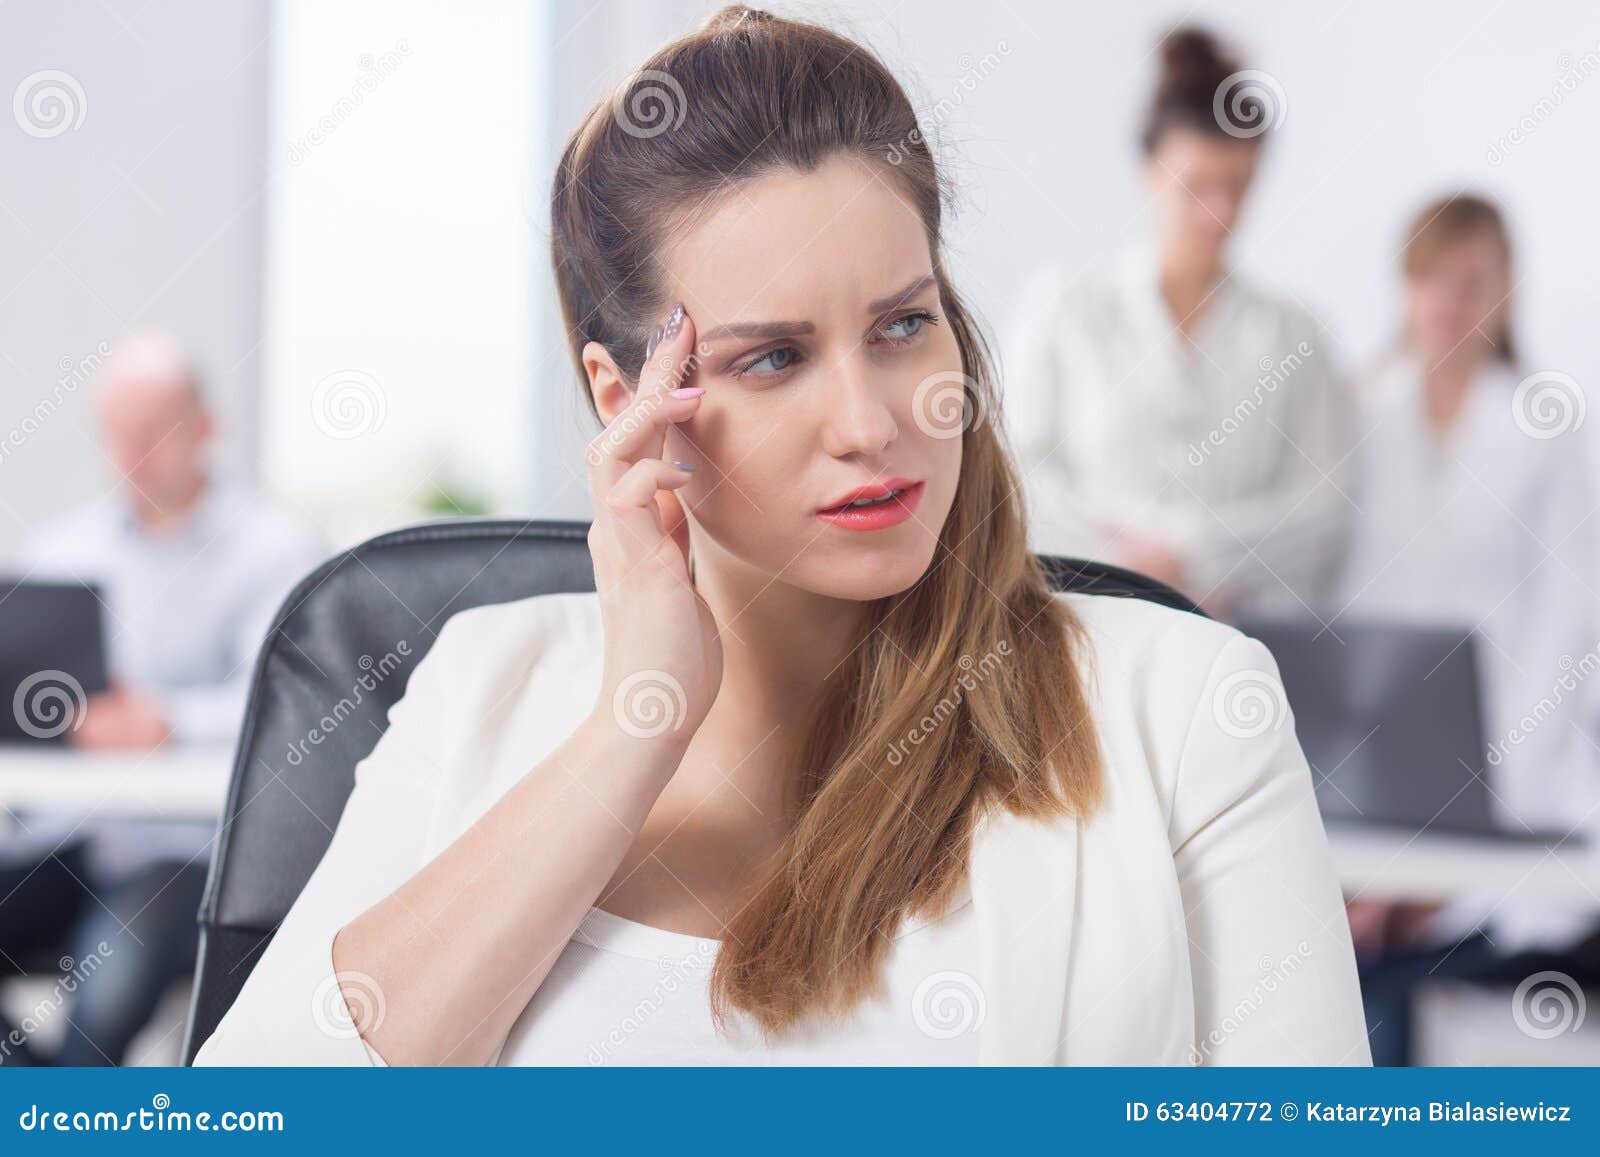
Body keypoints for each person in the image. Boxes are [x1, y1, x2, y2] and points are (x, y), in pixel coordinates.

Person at [194, 6, 1367, 1067]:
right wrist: (633, 725)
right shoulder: (483, 680)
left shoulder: (1185, 706)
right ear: (627, 401)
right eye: (771, 357)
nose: (870, 424)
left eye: (901, 326)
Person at [0, 332, 323, 1065]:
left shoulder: (276, 551)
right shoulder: (63, 549)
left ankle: (67, 1104)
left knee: (103, 1006)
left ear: (205, 428)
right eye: (117, 433)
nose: (133, 454)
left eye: (154, 431)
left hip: (185, 851)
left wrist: (166, 722)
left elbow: (290, 701)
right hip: (68, 833)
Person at [1334, 194, 1600, 1064]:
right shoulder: (1358, 411)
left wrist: (1468, 823)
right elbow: (1336, 604)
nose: (1450, 303)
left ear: (1506, 292)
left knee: (1428, 947)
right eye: (1432, 280)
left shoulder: (1543, 425)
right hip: (1371, 766)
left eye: (1472, 282)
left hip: (1515, 767)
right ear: (1405, 288)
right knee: (1346, 961)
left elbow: (1566, 622)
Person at [1004, 27, 1353, 619]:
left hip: (1235, 631)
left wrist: (1195, 555)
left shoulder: (1295, 334)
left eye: (1237, 187)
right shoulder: (1065, 308)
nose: (1220, 212)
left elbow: (1322, 507)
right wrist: (1127, 562)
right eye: (1196, 188)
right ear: (1150, 170)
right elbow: (1017, 476)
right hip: (1083, 619)